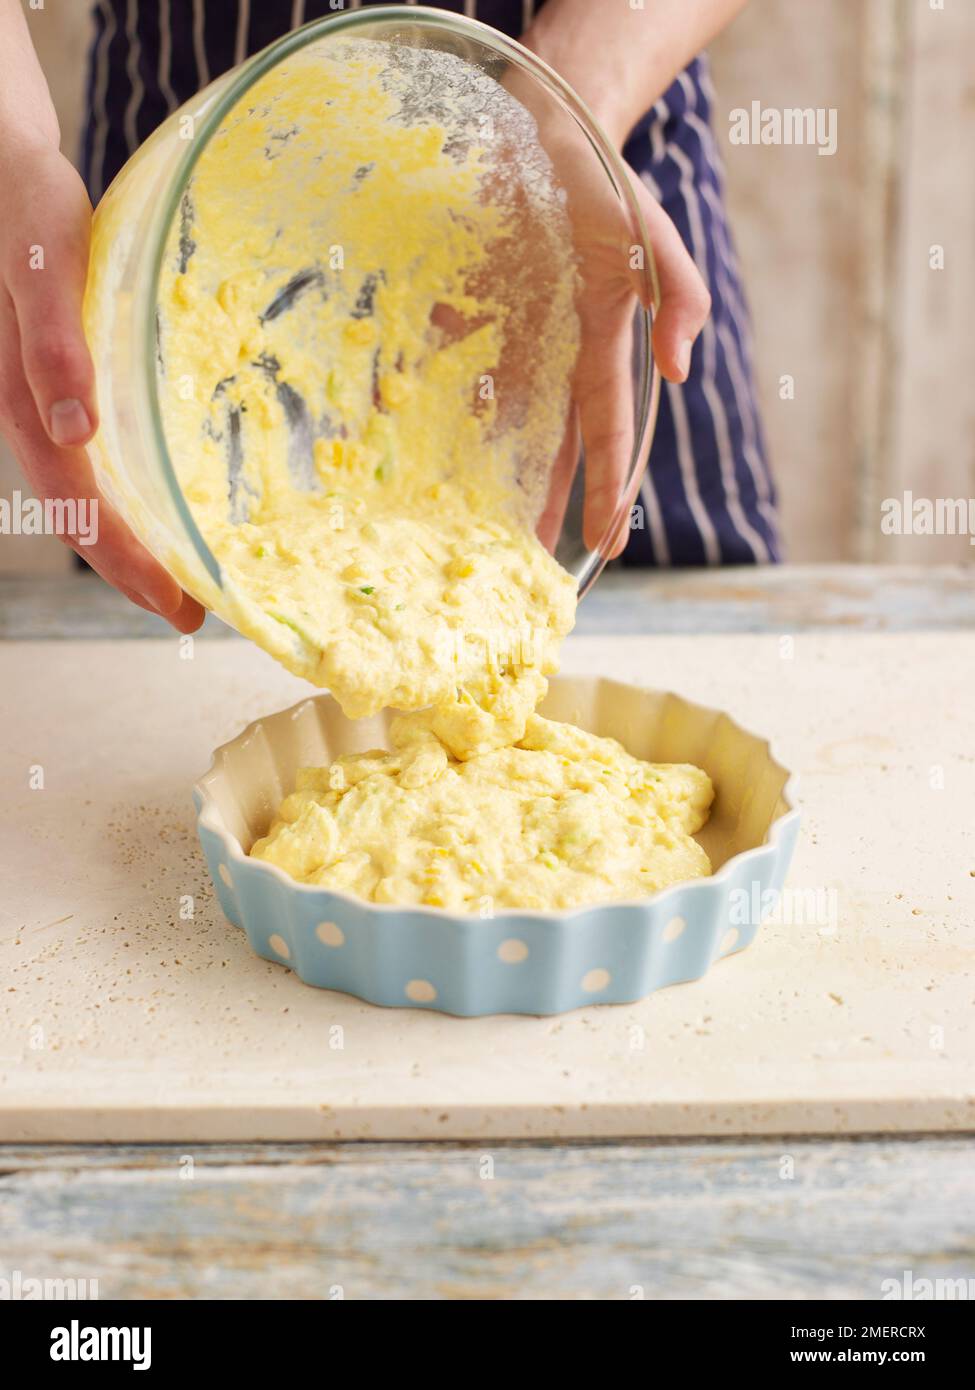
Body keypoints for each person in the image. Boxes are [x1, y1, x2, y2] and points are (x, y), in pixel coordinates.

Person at [0, 0, 778, 636]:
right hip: (182, 205)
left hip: (586, 189)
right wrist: (13, 145)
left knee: (698, 630)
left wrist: (565, 105)